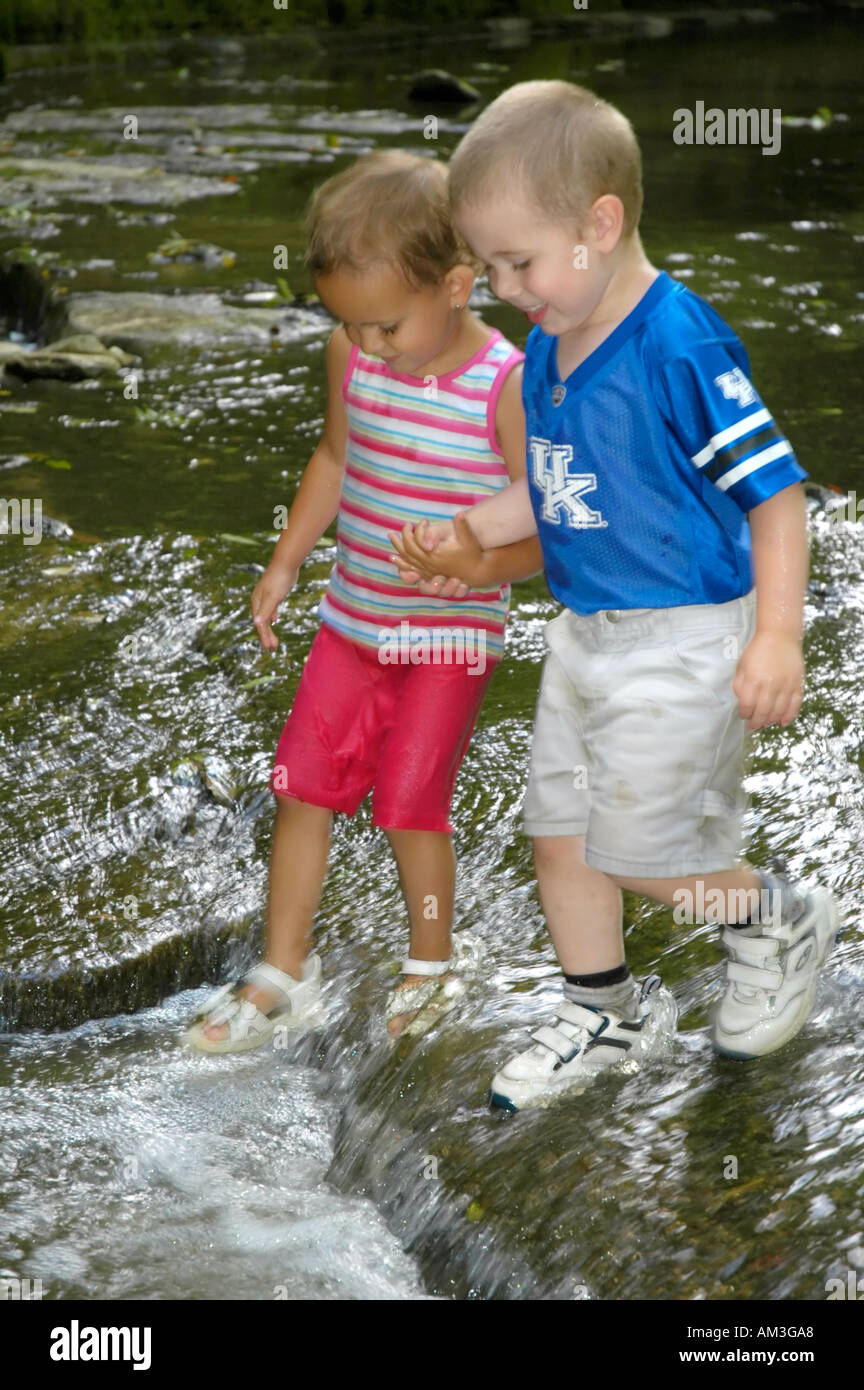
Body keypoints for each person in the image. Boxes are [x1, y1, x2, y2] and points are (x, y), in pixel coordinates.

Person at [390, 81, 840, 1111]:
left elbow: (776, 497)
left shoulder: (678, 344)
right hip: (588, 633)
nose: (505, 289)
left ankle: (776, 915)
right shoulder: (552, 341)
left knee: (643, 850)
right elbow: (553, 483)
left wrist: (777, 635)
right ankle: (603, 1010)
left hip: (686, 633)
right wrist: (467, 533)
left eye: (520, 262)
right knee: (559, 833)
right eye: (491, 266)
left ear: (601, 224)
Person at [183, 149, 543, 1053]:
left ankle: (430, 962)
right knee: (301, 787)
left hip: (451, 641)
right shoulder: (351, 352)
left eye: (386, 325)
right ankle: (283, 965)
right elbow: (336, 461)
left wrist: (473, 568)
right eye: (352, 325)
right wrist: (285, 563)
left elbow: (548, 532)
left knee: (410, 800)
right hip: (351, 625)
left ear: (459, 285)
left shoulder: (505, 387)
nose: (369, 347)